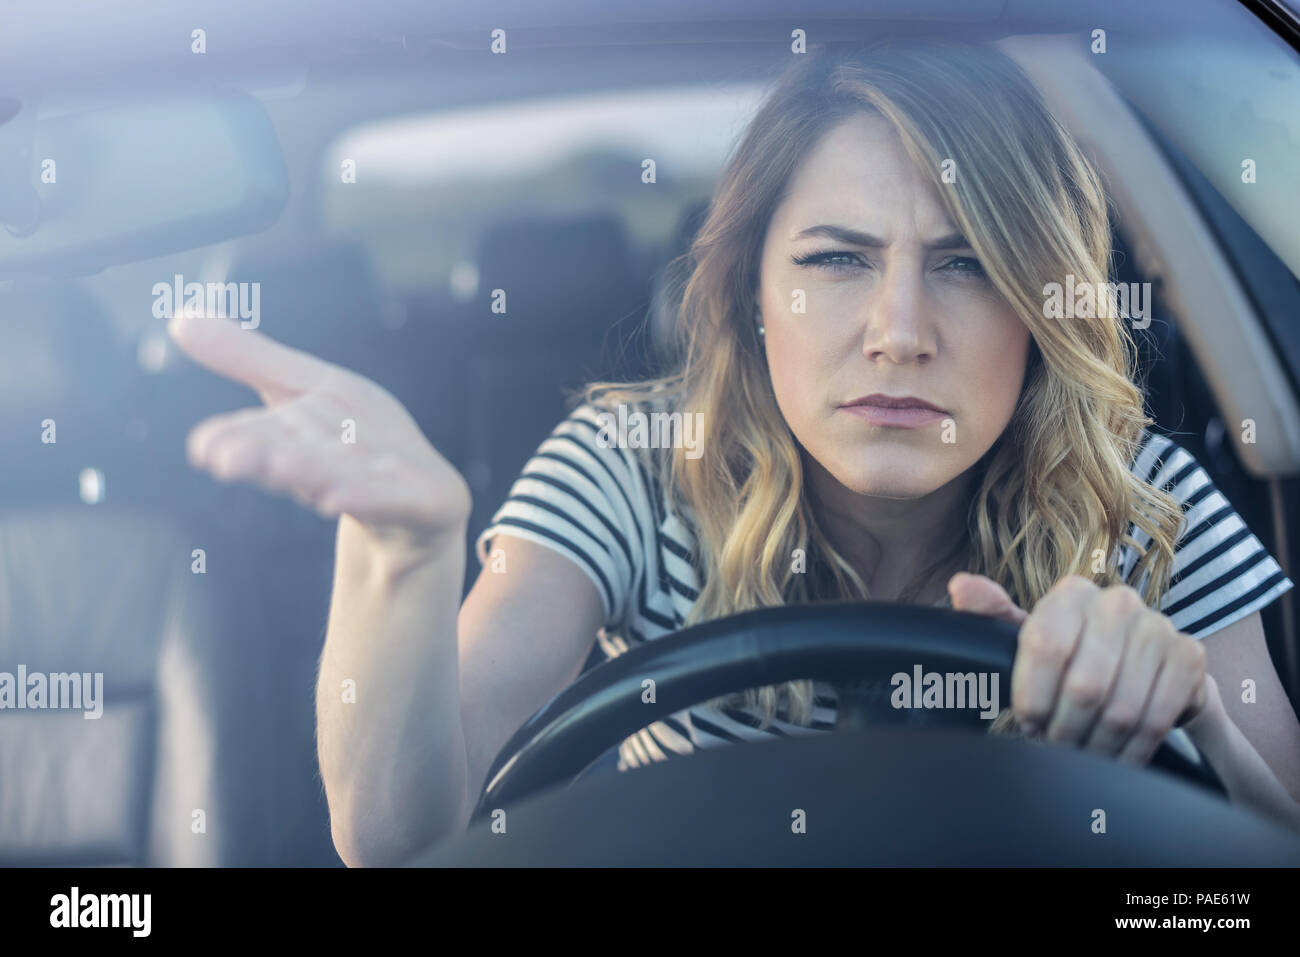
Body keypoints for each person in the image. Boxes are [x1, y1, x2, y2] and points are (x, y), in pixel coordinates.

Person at [167, 39, 1300, 866]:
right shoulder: (629, 463)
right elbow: (402, 838)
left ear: (1039, 310)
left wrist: (1187, 723)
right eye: (836, 260)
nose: (899, 331)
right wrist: (405, 555)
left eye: (966, 266)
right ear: (752, 296)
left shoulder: (1143, 500)